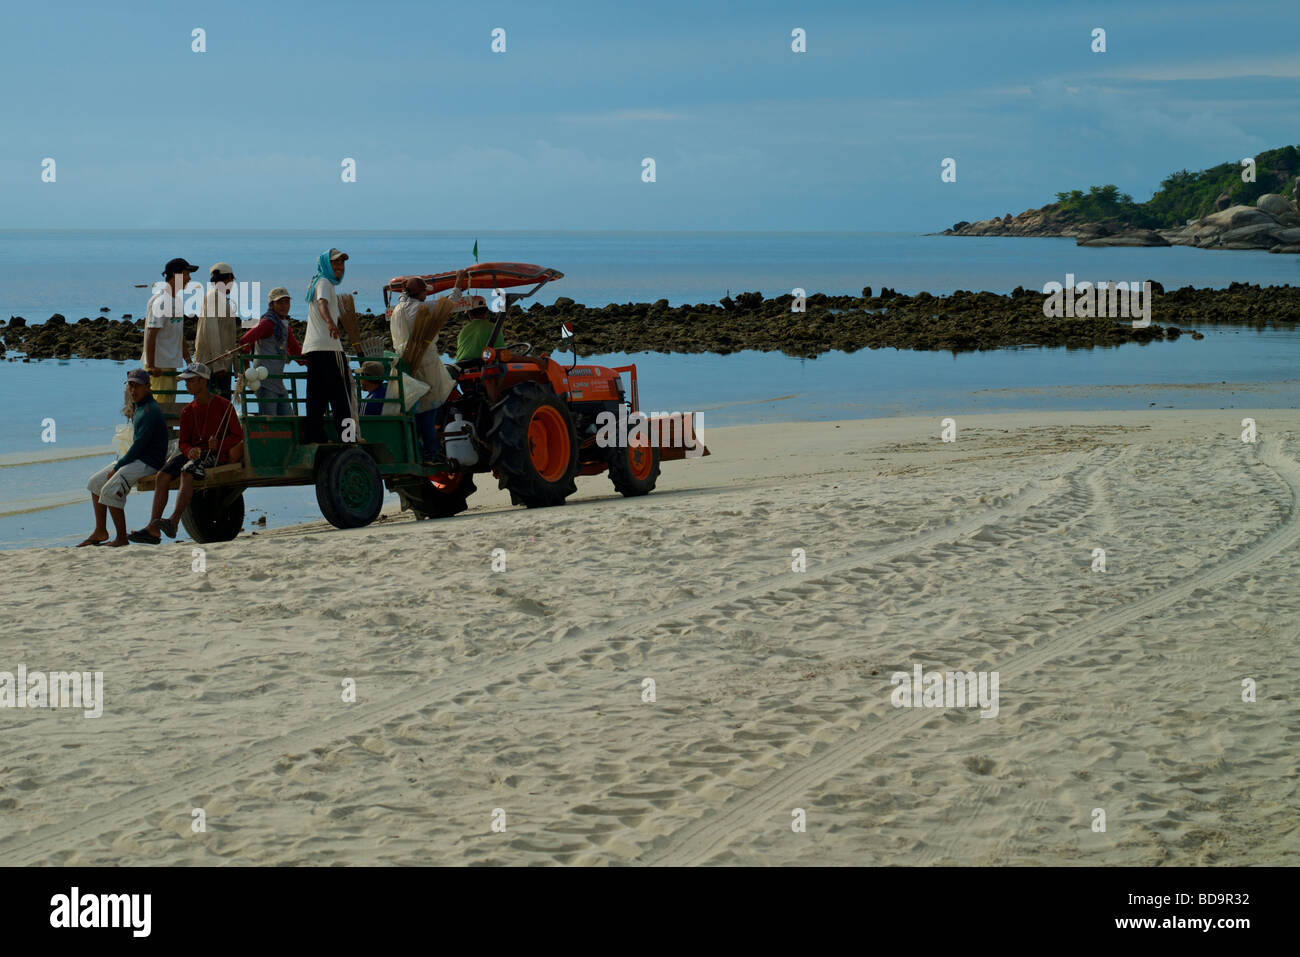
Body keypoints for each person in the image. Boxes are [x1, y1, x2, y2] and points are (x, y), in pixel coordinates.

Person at [129, 362, 244, 544]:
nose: (187, 384)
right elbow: (183, 442)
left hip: (214, 455)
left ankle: (173, 521)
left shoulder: (224, 406)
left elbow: (237, 435)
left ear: (203, 381)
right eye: (186, 381)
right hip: (194, 453)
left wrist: (219, 444)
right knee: (162, 476)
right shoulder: (187, 411)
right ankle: (153, 528)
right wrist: (188, 450)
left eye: (190, 381)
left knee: (187, 472)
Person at [77, 369, 169, 547]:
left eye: (138, 386)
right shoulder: (139, 405)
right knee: (94, 483)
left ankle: (121, 538)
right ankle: (100, 531)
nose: (133, 390)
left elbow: (139, 446)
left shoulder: (150, 410)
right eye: (130, 386)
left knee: (110, 490)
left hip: (148, 462)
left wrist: (118, 466)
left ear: (148, 387)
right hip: (137, 459)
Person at [389, 277, 455, 458]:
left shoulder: (397, 309)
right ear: (421, 293)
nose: (427, 294)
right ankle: (431, 451)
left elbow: (403, 300)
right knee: (429, 406)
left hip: (404, 360)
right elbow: (448, 305)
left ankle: (415, 448)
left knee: (413, 406)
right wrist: (457, 289)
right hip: (425, 362)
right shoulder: (421, 308)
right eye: (426, 291)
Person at [301, 249, 356, 442]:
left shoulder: (316, 282)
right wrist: (331, 322)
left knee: (316, 398)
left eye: (342, 263)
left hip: (313, 349)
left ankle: (314, 437)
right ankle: (348, 439)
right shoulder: (324, 282)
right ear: (326, 264)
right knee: (343, 398)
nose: (340, 267)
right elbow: (323, 304)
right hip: (329, 348)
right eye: (335, 263)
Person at [142, 257, 199, 411]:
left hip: (171, 364)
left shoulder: (177, 301)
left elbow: (179, 334)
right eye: (187, 274)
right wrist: (152, 366)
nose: (189, 278)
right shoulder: (161, 301)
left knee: (168, 406)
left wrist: (189, 361)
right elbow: (151, 334)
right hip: (160, 367)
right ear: (176, 275)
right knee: (159, 407)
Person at [239, 286, 303, 415]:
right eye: (279, 302)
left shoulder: (284, 325)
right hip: (264, 381)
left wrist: (314, 362)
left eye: (287, 302)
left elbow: (296, 351)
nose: (284, 306)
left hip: (277, 380)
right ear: (271, 305)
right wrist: (247, 370)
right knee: (269, 419)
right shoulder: (267, 323)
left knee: (288, 418)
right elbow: (244, 341)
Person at [196, 261, 240, 398]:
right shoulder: (213, 297)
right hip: (213, 368)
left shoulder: (220, 298)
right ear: (229, 278)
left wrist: (235, 366)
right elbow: (212, 331)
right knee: (212, 408)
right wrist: (218, 364)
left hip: (220, 366)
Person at [454, 292, 505, 361]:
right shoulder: (493, 328)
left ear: (469, 313)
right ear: (487, 311)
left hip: (461, 367)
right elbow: (501, 354)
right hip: (481, 367)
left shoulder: (463, 331)